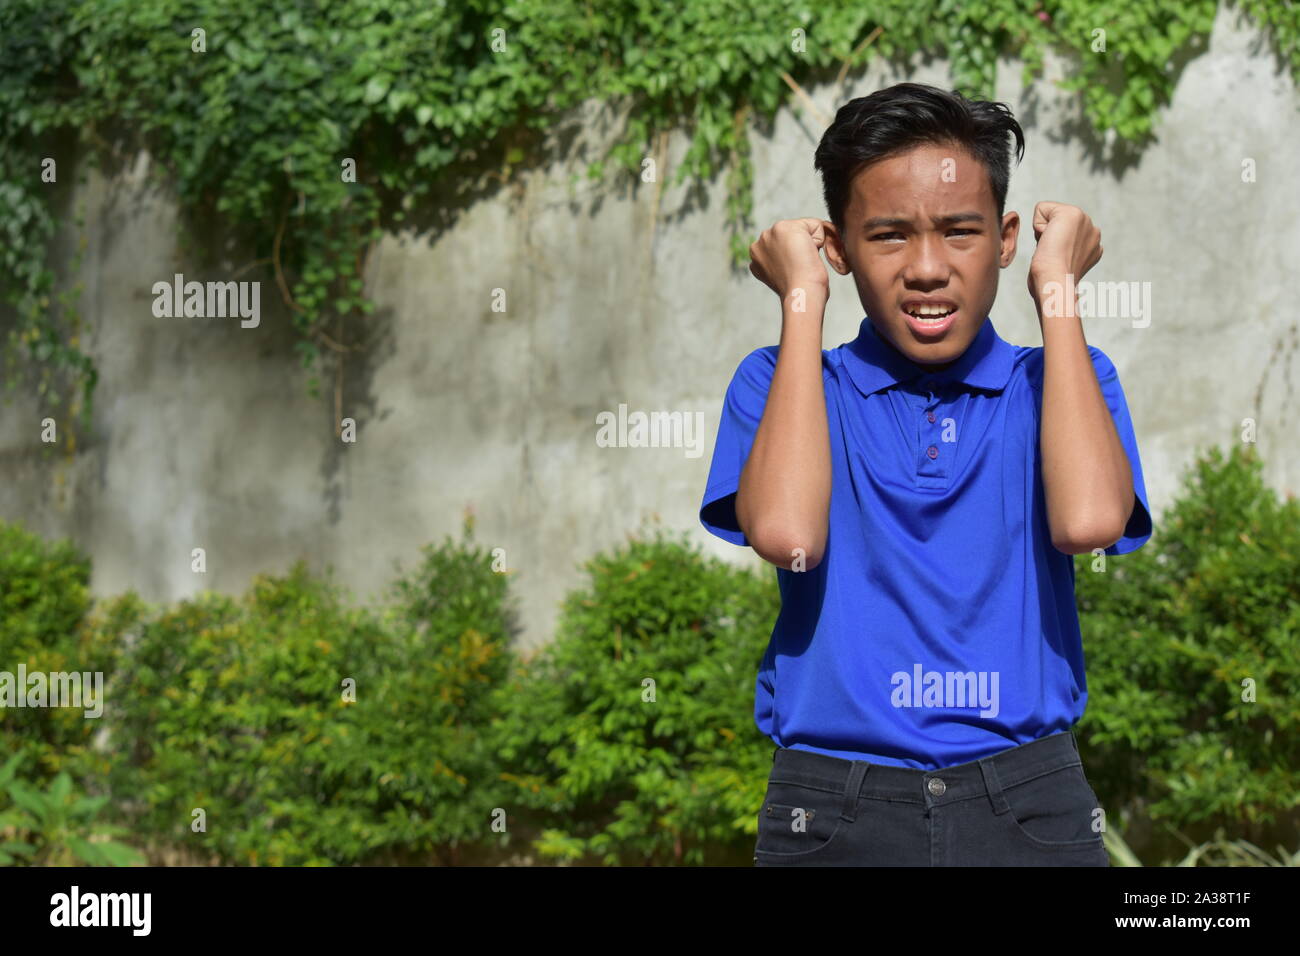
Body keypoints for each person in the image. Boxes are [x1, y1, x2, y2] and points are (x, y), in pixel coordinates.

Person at [698, 82, 1153, 866]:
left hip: (1030, 802)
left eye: (960, 231)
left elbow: (1089, 524)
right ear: (836, 248)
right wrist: (801, 301)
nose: (929, 268)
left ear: (1007, 239)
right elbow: (786, 533)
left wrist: (1060, 293)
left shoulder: (1061, 381)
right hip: (831, 807)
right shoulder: (784, 382)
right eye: (887, 236)